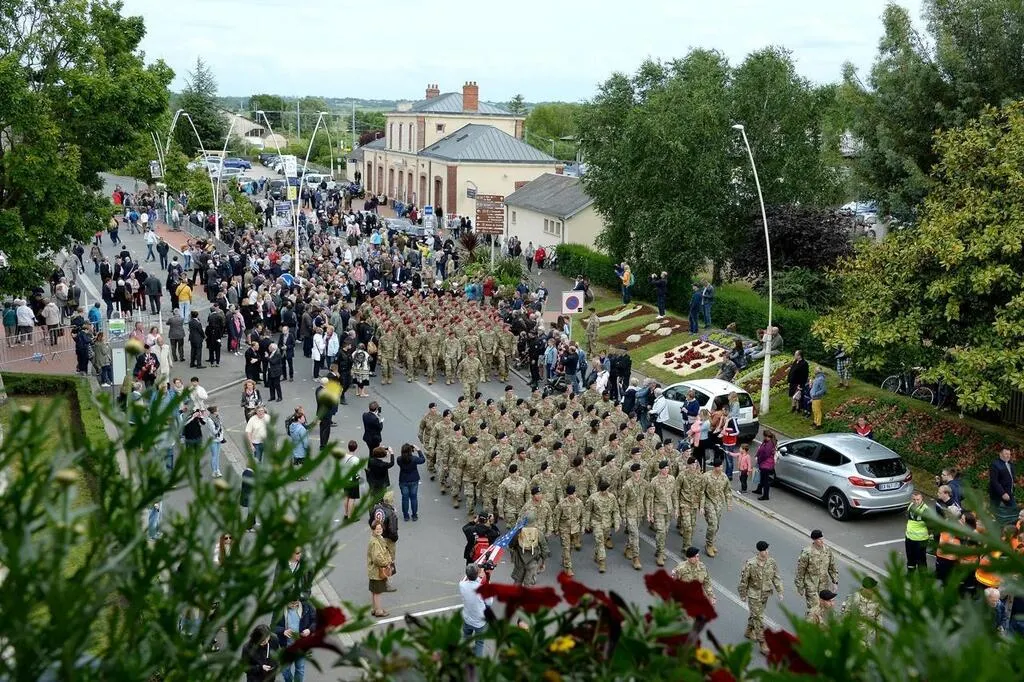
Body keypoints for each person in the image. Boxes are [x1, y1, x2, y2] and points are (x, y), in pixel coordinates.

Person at [738, 541, 783, 655]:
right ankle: (762, 642)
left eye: (768, 550)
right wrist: (743, 594)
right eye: (765, 550)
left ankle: (749, 631)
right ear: (760, 551)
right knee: (758, 618)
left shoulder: (771, 562)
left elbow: (776, 577)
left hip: (765, 595)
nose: (767, 552)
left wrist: (780, 591)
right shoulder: (751, 564)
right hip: (754, 595)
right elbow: (744, 581)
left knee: (756, 614)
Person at [795, 530, 839, 617]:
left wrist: (835, 581)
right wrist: (800, 586)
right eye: (819, 539)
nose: (822, 541)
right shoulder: (807, 552)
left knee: (825, 607)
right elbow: (800, 570)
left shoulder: (827, 551)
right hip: (811, 584)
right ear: (814, 540)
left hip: (824, 584)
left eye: (822, 538)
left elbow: (832, 567)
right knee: (814, 608)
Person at [273, 597, 316, 682]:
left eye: (296, 604)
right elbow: (273, 626)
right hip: (286, 646)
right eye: (291, 604)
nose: (294, 606)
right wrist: (283, 631)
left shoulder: (307, 606)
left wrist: (309, 630)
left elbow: (316, 621)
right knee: (285, 670)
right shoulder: (279, 609)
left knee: (300, 669)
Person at [460, 563, 491, 657]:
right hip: (480, 622)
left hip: (467, 619)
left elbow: (466, 579)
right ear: (477, 574)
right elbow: (489, 603)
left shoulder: (462, 585)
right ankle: (477, 661)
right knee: (479, 643)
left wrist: (478, 574)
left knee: (466, 638)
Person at [841, 576, 881, 646]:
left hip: (867, 641)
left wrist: (878, 642)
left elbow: (879, 622)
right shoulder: (854, 598)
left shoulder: (876, 602)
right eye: (872, 589)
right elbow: (844, 617)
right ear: (865, 589)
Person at [367, 520, 393, 617]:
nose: (379, 530)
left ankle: (375, 609)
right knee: (378, 592)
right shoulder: (375, 542)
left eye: (380, 528)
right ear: (373, 529)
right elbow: (377, 558)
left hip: (372, 571)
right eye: (377, 529)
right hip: (377, 571)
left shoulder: (376, 539)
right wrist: (386, 563)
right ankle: (379, 611)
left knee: (374, 591)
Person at [397, 443, 425, 522]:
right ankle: (414, 515)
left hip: (403, 480)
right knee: (414, 498)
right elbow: (423, 460)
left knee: (405, 498)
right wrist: (418, 450)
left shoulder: (399, 459)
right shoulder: (414, 459)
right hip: (414, 479)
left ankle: (406, 515)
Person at [904, 491, 929, 573]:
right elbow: (908, 519)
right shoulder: (911, 505)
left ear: (922, 499)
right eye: (914, 499)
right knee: (910, 558)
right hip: (909, 538)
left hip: (920, 540)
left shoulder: (925, 510)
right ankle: (910, 574)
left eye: (918, 499)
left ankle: (923, 578)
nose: (916, 501)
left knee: (921, 560)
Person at [988, 448, 1015, 515]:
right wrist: (1002, 493)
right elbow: (994, 481)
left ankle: (1010, 524)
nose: (1008, 456)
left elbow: (1011, 477)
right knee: (993, 512)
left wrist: (1013, 485)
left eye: (1009, 454)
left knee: (1013, 510)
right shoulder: (995, 465)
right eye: (1006, 454)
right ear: (1000, 454)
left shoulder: (1010, 464)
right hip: (997, 493)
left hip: (1009, 493)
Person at [341, 440, 362, 519]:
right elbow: (358, 471)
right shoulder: (356, 459)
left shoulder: (343, 456)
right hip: (353, 479)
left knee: (346, 496)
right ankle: (350, 516)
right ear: (356, 448)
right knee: (352, 498)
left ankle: (346, 514)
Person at [754, 430, 777, 500]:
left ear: (766, 436)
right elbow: (760, 449)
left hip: (766, 464)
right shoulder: (766, 442)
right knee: (762, 478)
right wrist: (757, 455)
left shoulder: (769, 444)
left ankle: (766, 495)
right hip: (765, 463)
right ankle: (759, 489)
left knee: (765, 480)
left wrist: (759, 460)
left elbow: (765, 455)